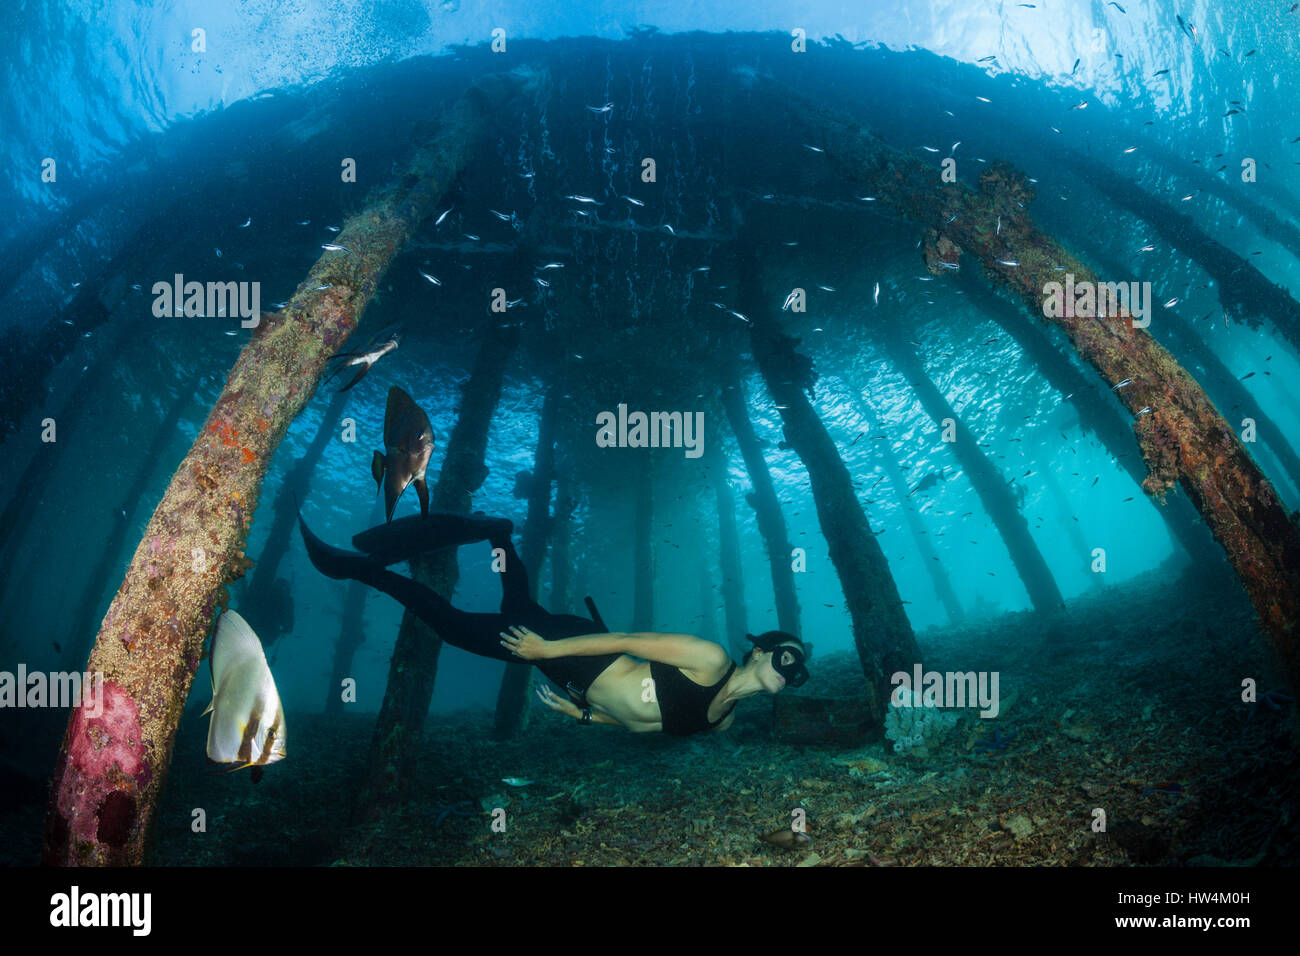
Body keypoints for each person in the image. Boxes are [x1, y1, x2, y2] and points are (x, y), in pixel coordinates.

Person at [297, 512, 809, 735]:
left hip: (568, 674)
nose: (794, 671)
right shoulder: (711, 660)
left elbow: (641, 725)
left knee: (517, 608)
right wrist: (547, 652)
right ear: (760, 650)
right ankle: (357, 568)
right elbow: (629, 638)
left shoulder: (724, 722)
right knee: (453, 628)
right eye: (789, 657)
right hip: (574, 648)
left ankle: (498, 535)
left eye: (800, 671)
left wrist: (581, 716)